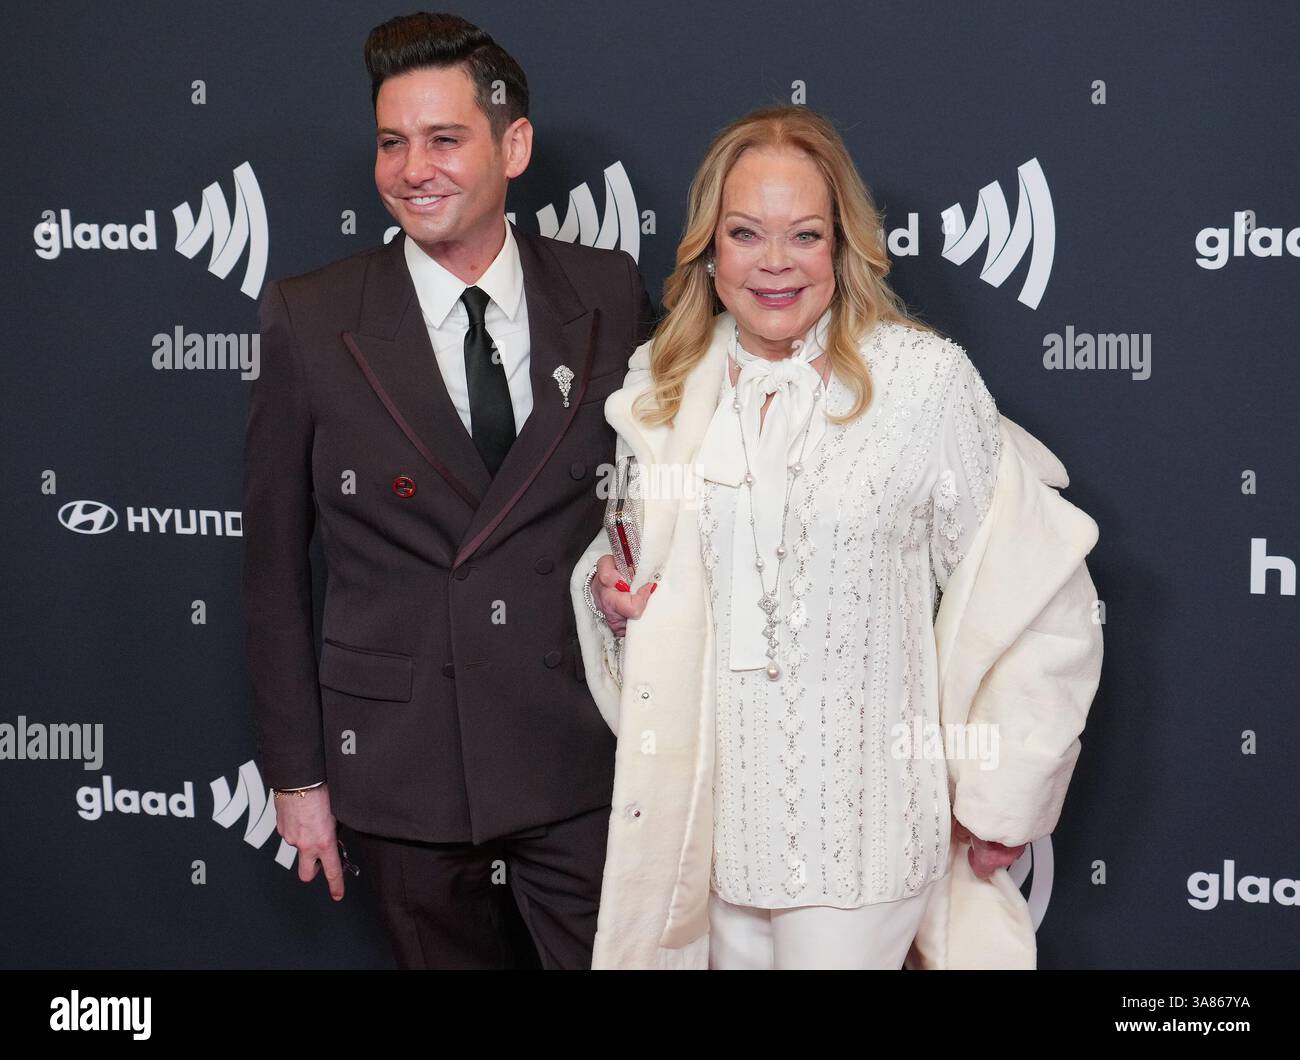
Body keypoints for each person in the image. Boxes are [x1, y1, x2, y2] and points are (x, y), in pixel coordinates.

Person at [570, 104, 1103, 969]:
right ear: (709, 248)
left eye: (804, 235)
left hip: (865, 834)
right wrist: (610, 596)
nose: (774, 263)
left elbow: (1040, 591)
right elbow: (630, 559)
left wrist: (1005, 796)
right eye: (745, 233)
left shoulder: (923, 384)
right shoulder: (668, 388)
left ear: (842, 246)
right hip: (705, 838)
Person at [241, 12, 653, 969]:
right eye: (392, 142)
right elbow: (271, 569)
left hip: (580, 752)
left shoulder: (608, 289)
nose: (411, 168)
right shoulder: (311, 315)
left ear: (514, 146)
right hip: (402, 761)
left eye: (443, 139)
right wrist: (299, 779)